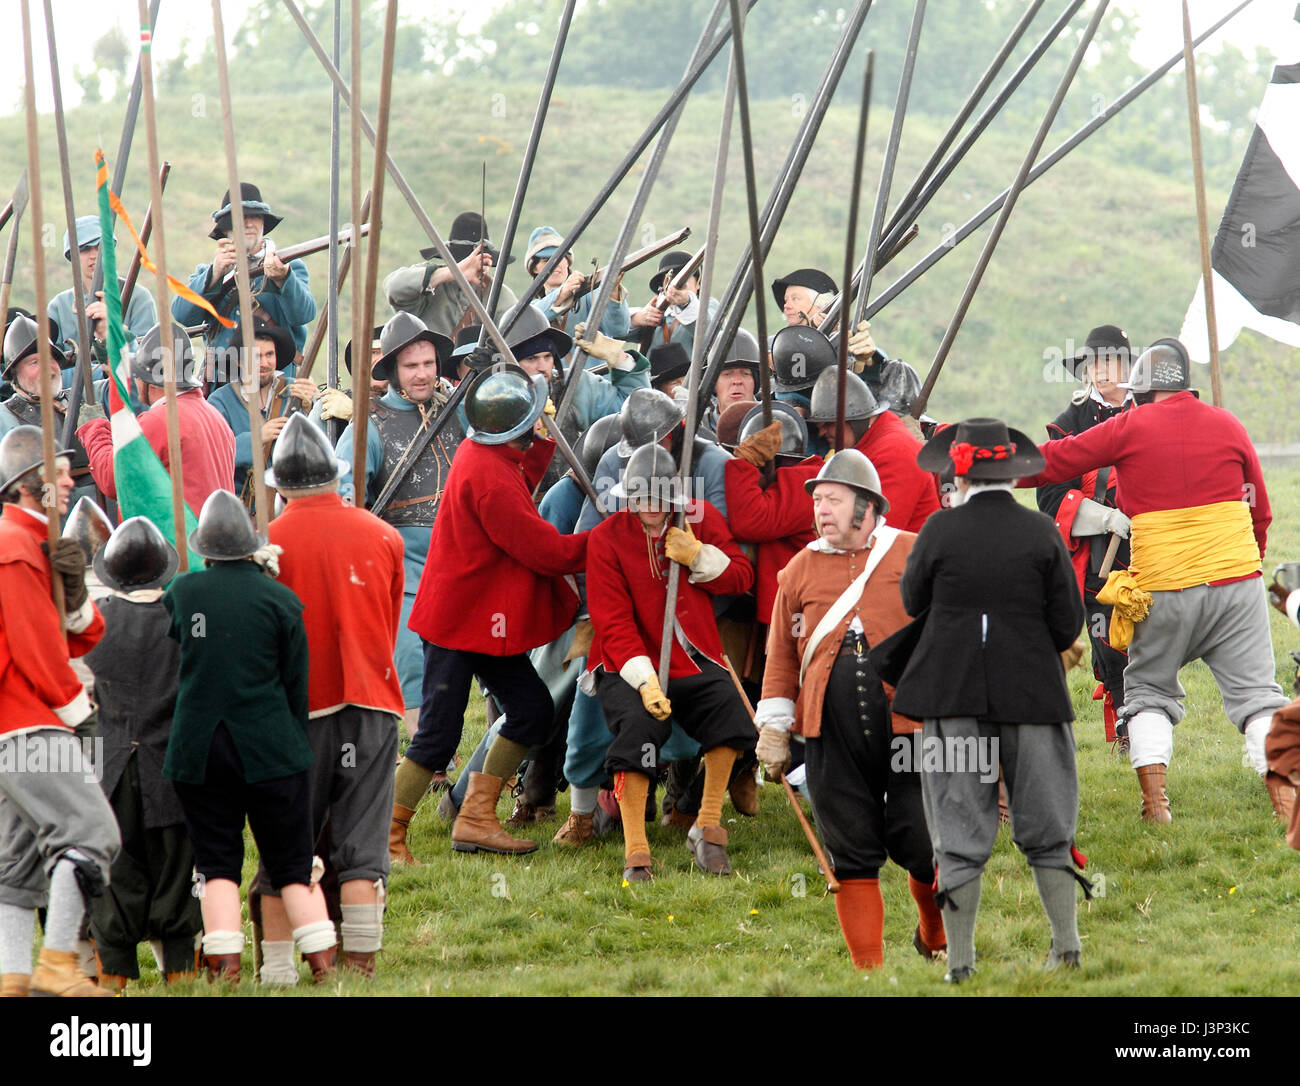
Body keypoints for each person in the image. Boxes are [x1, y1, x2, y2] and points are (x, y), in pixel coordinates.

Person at [1018, 339, 1290, 824]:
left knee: (1147, 692)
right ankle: (1286, 800)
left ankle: (1156, 805)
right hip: (1237, 583)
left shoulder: (1130, 423)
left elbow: (1055, 462)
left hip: (1162, 586)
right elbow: (1261, 512)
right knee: (1259, 697)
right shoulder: (1229, 424)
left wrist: (985, 463)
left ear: (1140, 390)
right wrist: (1246, 568)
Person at [882, 418, 1088, 982]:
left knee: (955, 828)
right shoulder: (1043, 532)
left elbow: (912, 599)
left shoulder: (938, 532)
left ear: (959, 473)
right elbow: (1067, 623)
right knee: (1048, 825)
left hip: (951, 700)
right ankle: (1067, 950)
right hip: (1033, 698)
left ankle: (962, 963)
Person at [755, 449, 946, 969]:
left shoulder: (913, 553)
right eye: (818, 502)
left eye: (834, 500)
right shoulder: (798, 570)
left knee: (924, 841)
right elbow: (781, 657)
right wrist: (774, 728)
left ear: (867, 506)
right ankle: (869, 974)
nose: (822, 511)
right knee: (851, 850)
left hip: (911, 729)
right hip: (829, 732)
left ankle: (933, 930)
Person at [392, 366, 588, 860]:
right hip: (460, 623)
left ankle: (476, 818)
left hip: (476, 621)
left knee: (531, 710)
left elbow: (514, 478)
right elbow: (542, 549)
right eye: (531, 421)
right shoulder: (488, 475)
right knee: (437, 735)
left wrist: (539, 444)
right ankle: (384, 834)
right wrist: (604, 540)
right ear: (515, 429)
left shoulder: (484, 454)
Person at [163, 490, 337, 983]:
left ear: (205, 550)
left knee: (216, 864)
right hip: (271, 749)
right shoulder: (282, 600)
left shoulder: (182, 593)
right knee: (294, 864)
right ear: (252, 546)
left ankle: (226, 969)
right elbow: (295, 687)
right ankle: (324, 968)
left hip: (199, 751)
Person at [255, 415, 405, 981]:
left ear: (282, 483)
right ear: (335, 477)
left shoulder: (267, 543)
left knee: (285, 845)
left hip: (300, 715)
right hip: (372, 703)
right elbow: (386, 625)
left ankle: (277, 969)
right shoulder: (382, 534)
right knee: (364, 845)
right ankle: (359, 966)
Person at [585, 443, 756, 881]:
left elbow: (741, 577)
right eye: (641, 498)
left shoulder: (698, 519)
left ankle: (707, 826)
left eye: (659, 499)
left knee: (732, 717)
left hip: (695, 655)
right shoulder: (606, 538)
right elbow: (613, 622)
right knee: (639, 733)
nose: (650, 508)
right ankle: (637, 851)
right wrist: (645, 681)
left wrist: (700, 557)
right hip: (626, 662)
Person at [0, 425, 119, 998]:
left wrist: (71, 590)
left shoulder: (37, 543)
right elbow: (35, 650)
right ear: (29, 485)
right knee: (91, 832)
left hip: (19, 722)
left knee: (18, 866)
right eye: (58, 473)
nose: (70, 480)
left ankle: (13, 978)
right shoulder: (15, 545)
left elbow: (81, 636)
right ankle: (56, 966)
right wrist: (75, 709)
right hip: (28, 720)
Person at [82, 517, 202, 991]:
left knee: (115, 880)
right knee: (175, 875)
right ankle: (181, 976)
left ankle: (115, 981)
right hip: (172, 770)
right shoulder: (185, 620)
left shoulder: (95, 621)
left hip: (109, 773)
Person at [336, 311, 460, 739]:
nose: (422, 374)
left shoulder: (456, 413)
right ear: (392, 370)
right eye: (411, 366)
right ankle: (429, 766)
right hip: (402, 572)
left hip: (459, 565)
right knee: (412, 668)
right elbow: (344, 500)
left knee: (464, 670)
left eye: (428, 364)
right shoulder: (369, 427)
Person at [1035, 324, 1134, 746]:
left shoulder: (1152, 409)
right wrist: (1104, 518)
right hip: (1101, 557)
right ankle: (1131, 733)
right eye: (1094, 364)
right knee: (1112, 648)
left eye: (1110, 362)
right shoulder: (1070, 422)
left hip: (1158, 550)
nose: (1101, 372)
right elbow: (1051, 493)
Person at [78, 322, 236, 515]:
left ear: (149, 381)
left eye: (138, 374)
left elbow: (113, 479)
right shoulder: (214, 416)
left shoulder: (160, 421)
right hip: (211, 538)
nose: (136, 380)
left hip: (176, 541)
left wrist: (94, 428)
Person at [171, 182, 316, 372]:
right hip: (222, 384)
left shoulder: (291, 267)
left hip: (272, 381)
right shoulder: (207, 274)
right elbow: (182, 314)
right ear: (225, 230)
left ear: (263, 224)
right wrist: (215, 274)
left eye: (254, 216)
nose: (248, 223)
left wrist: (283, 278)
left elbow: (303, 314)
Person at [806, 367, 939, 532]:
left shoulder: (895, 451)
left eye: (829, 423)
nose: (821, 432)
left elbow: (878, 533)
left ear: (854, 419)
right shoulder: (875, 442)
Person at [207, 317, 316, 498]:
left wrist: (312, 410)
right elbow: (213, 456)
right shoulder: (219, 401)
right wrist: (257, 439)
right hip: (243, 512)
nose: (264, 363)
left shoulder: (295, 391)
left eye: (269, 354)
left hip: (290, 504)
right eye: (256, 356)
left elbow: (317, 450)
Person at [0, 314, 98, 506]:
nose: (48, 367)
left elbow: (127, 387)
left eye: (51, 358)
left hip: (101, 510)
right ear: (15, 375)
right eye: (35, 362)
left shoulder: (87, 395)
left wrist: (105, 341)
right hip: (46, 514)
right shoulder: (3, 417)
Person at [49, 214, 156, 379]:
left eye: (99, 247)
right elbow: (52, 368)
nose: (93, 255)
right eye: (84, 249)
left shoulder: (139, 298)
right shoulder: (58, 307)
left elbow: (147, 362)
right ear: (72, 256)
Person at [383, 211, 519, 339]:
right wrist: (454, 272)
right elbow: (393, 287)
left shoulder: (500, 295)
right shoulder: (428, 285)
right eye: (465, 263)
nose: (472, 270)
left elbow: (516, 338)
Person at [529, 225, 631, 340]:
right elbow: (530, 321)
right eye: (546, 260)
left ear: (568, 262)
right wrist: (562, 293)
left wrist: (612, 291)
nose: (555, 264)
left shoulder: (589, 294)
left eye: (559, 258)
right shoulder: (532, 308)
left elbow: (619, 329)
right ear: (534, 268)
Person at [629, 250, 718, 359]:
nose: (675, 284)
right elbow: (613, 330)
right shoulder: (654, 311)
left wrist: (686, 303)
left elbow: (714, 336)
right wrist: (636, 319)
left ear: (698, 283)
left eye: (682, 277)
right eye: (670, 278)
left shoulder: (709, 306)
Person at [771, 268, 837, 329]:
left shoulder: (843, 339)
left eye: (795, 299)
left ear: (820, 304)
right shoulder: (774, 341)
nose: (786, 306)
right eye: (786, 300)